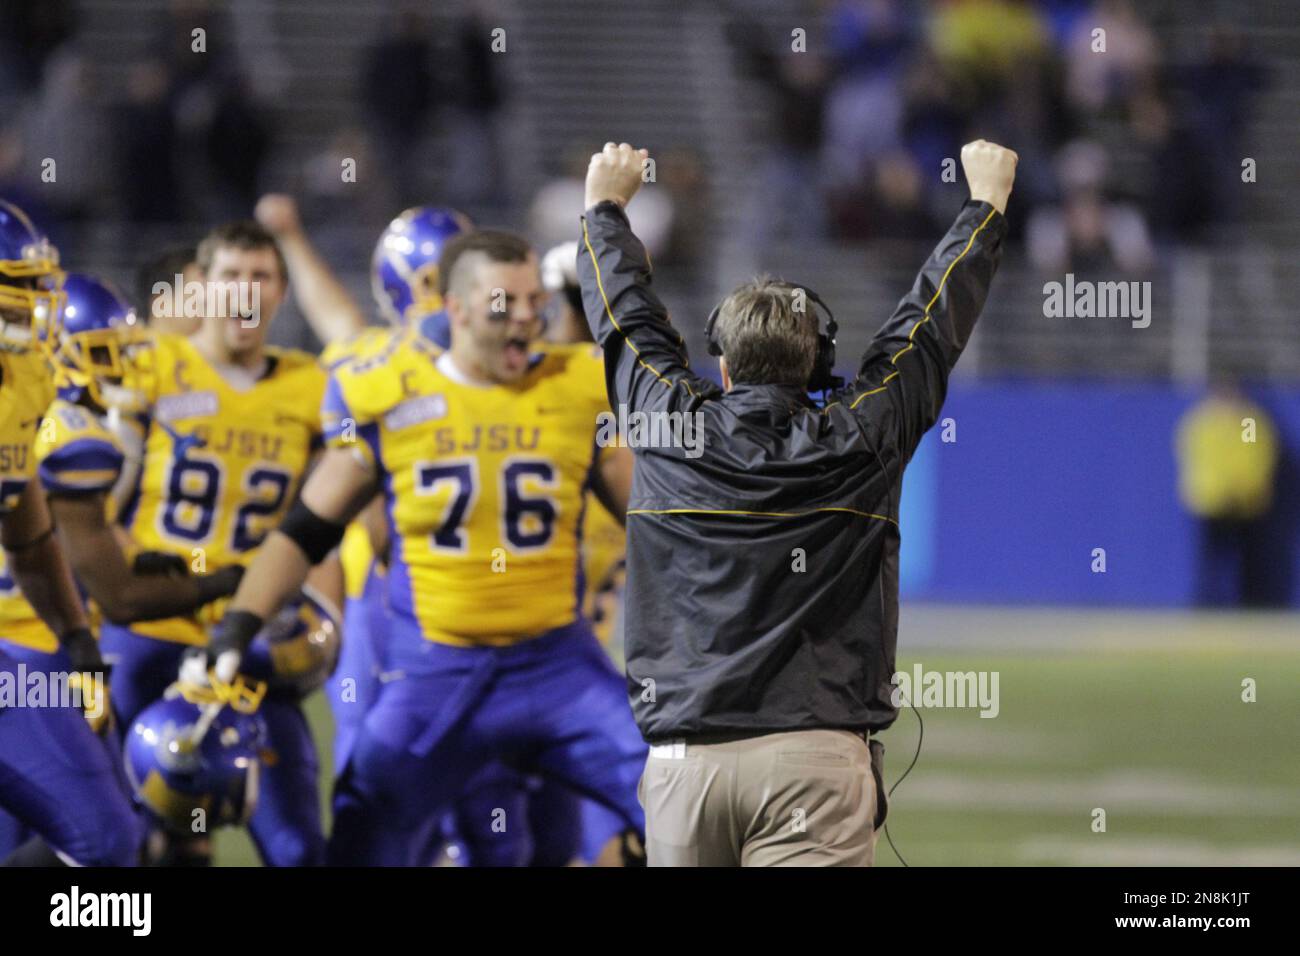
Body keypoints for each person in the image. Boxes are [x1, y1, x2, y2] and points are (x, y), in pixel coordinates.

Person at [576, 139, 1016, 866]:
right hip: (815, 759)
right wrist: (985, 207)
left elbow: (624, 318)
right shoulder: (864, 433)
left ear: (720, 363)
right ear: (819, 364)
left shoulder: (666, 423)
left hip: (685, 758)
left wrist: (603, 210)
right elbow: (927, 330)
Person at [203, 229, 646, 866]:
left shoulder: (578, 385)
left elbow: (651, 519)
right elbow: (304, 531)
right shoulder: (390, 393)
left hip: (558, 667)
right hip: (436, 671)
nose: (525, 317)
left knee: (681, 791)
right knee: (360, 836)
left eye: (533, 302)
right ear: (457, 310)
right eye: (504, 304)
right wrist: (238, 625)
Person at [100, 220, 333, 866]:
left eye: (261, 276)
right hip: (148, 631)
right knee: (118, 837)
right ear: (200, 288)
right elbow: (92, 510)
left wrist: (325, 624)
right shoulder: (146, 362)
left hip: (249, 644)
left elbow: (328, 529)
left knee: (296, 848)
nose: (245, 291)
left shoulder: (312, 388)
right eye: (231, 275)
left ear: (282, 291)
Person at [0, 199, 139, 866]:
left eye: (39, 286)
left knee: (107, 842)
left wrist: (78, 640)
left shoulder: (24, 377)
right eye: (20, 289)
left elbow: (27, 532)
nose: (40, 306)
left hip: (12, 662)